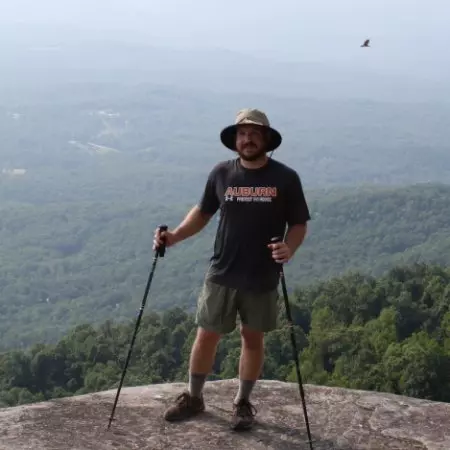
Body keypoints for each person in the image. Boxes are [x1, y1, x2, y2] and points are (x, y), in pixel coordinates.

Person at [153, 108, 311, 431]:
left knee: (252, 339)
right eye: (242, 133)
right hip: (222, 271)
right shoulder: (222, 173)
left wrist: (289, 248)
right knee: (206, 334)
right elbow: (202, 213)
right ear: (235, 140)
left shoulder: (286, 178)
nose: (247, 139)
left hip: (262, 274)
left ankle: (242, 403)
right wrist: (174, 238)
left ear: (266, 139)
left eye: (254, 133)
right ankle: (194, 397)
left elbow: (298, 223)